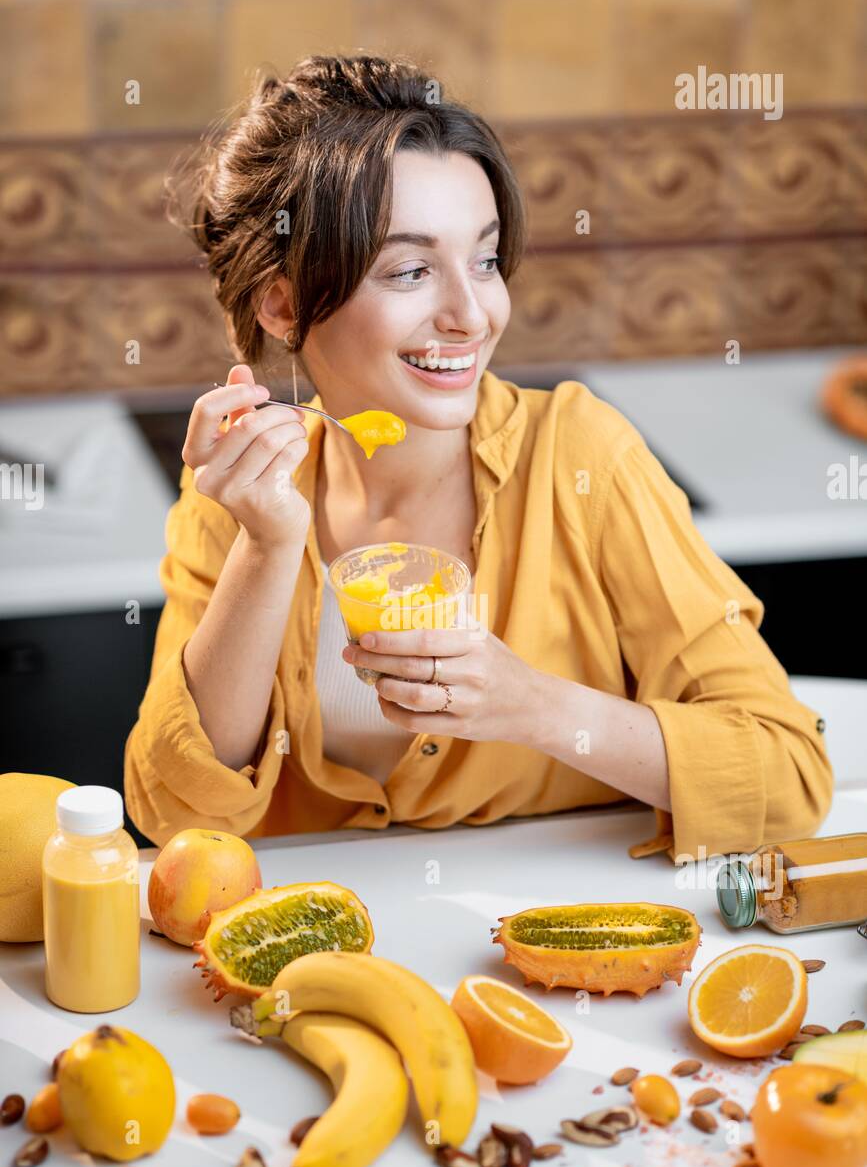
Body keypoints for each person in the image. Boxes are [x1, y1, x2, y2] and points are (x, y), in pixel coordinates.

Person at [124, 54, 833, 863]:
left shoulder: (580, 456)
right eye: (412, 270)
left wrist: (528, 704)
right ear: (282, 302)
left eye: (486, 260)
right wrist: (268, 545)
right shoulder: (243, 492)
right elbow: (176, 817)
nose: (472, 314)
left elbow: (789, 777)